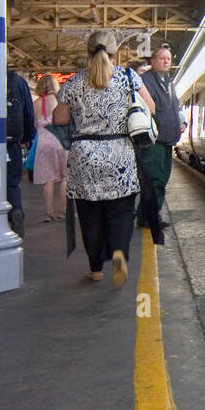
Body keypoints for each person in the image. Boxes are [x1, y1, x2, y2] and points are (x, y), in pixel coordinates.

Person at [52, 30, 156, 286]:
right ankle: (119, 253)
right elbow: (151, 109)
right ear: (114, 53)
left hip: (84, 157)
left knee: (90, 216)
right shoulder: (129, 78)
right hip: (120, 155)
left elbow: (59, 119)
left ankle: (96, 269)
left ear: (88, 53)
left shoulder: (74, 82)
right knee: (121, 213)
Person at [137, 44, 185, 233]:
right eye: (162, 58)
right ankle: (150, 217)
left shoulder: (169, 83)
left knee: (161, 179)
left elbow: (175, 108)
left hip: (167, 140)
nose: (166, 61)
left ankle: (146, 216)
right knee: (155, 179)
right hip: (153, 141)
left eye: (169, 58)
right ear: (153, 61)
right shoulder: (145, 81)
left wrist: (182, 124)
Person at [31, 74, 67, 222]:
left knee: (48, 179)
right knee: (66, 176)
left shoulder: (36, 103)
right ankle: (63, 211)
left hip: (43, 142)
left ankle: (48, 212)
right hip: (61, 140)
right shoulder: (59, 100)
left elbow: (34, 125)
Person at [5, 68, 36, 235]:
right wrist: (27, 138)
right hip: (12, 142)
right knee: (12, 182)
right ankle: (16, 209)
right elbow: (28, 113)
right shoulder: (18, 82)